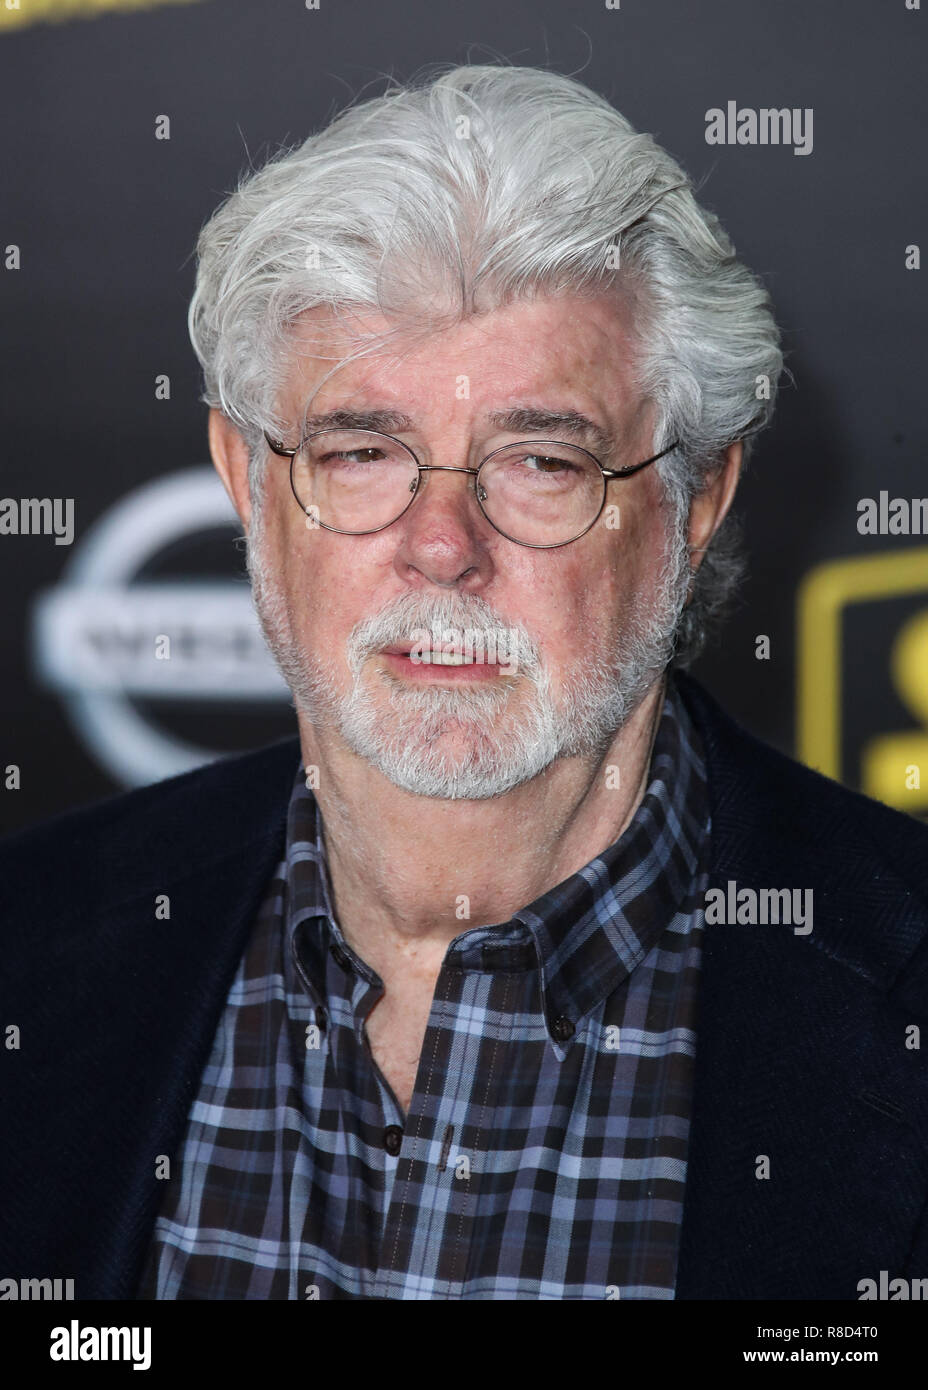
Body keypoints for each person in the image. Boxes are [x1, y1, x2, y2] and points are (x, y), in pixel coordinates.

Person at [3, 63, 927, 1302]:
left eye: (540, 459)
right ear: (244, 476)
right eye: (363, 452)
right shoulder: (33, 948)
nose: (442, 546)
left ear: (693, 500)